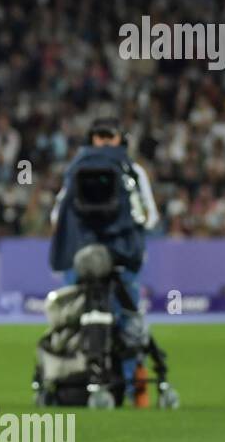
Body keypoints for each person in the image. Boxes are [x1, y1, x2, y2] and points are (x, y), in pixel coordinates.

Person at [49, 110, 159, 396]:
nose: (106, 142)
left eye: (111, 136)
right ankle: (77, 379)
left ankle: (125, 385)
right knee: (78, 320)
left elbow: (57, 216)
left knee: (124, 319)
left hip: (95, 255)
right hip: (107, 255)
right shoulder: (121, 171)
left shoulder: (129, 172)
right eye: (101, 136)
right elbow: (149, 218)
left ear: (120, 138)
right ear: (92, 138)